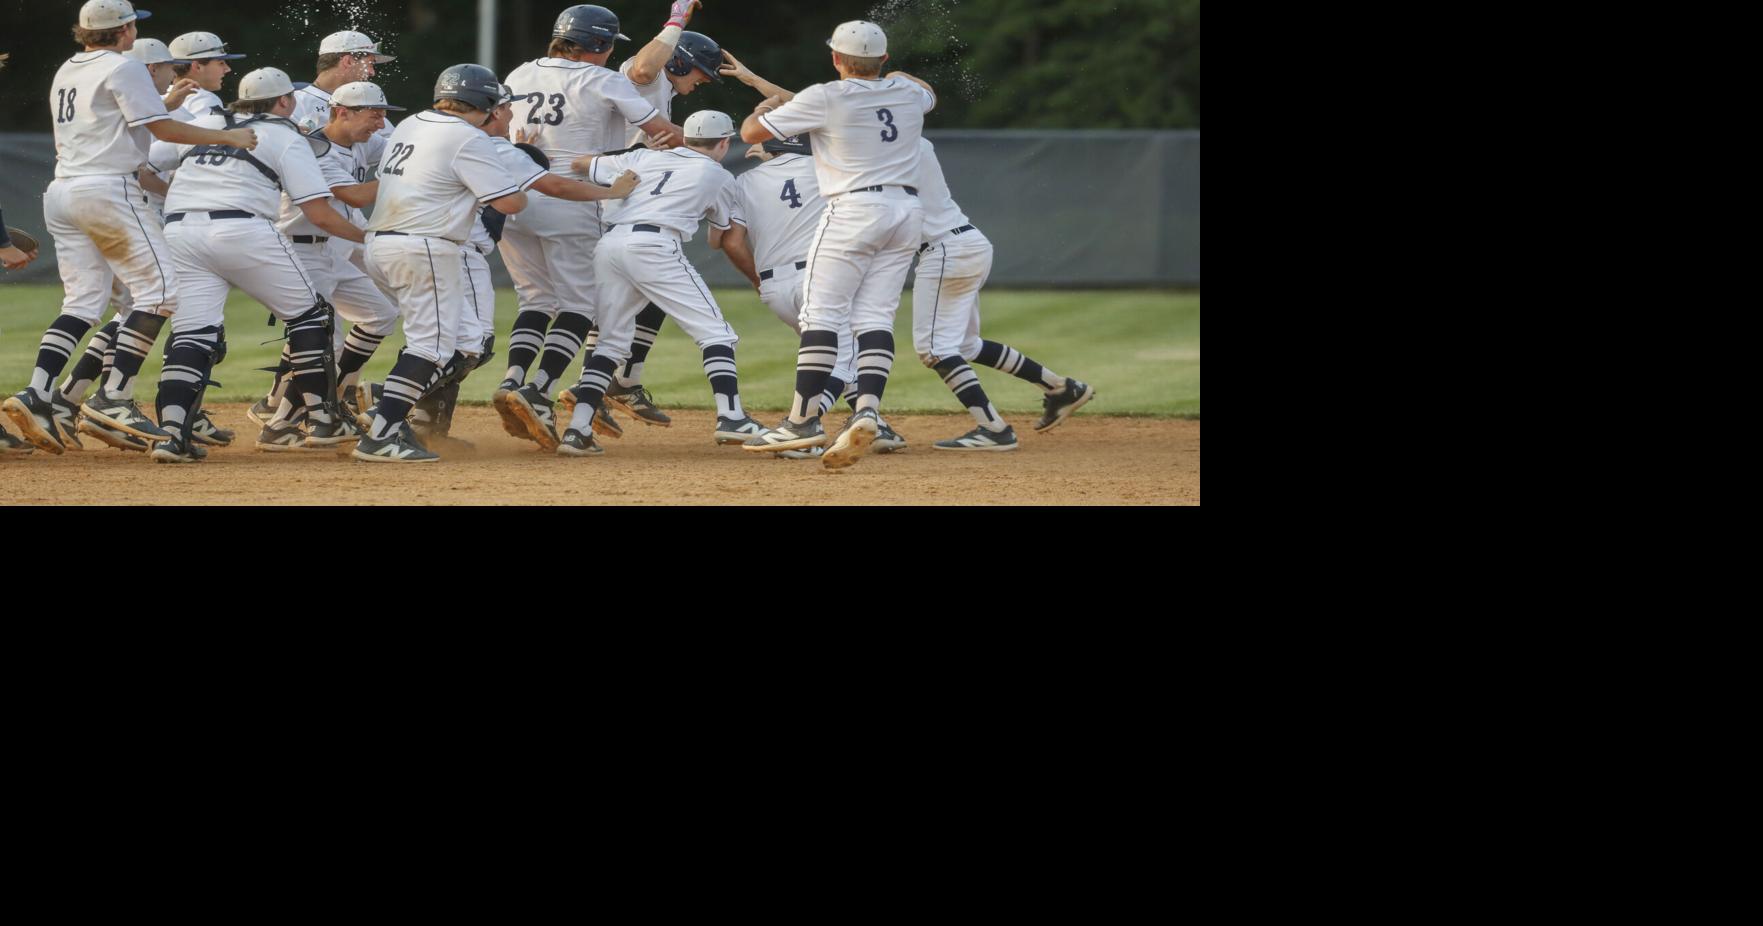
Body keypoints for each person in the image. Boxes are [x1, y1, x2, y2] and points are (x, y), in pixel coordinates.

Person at [2, 0, 260, 457]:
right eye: (132, 24)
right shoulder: (124, 66)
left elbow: (115, 122)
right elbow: (160, 130)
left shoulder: (69, 66)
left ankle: (38, 393)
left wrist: (166, 102)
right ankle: (114, 397)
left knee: (83, 302)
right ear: (124, 30)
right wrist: (228, 136)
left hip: (63, 191)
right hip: (108, 191)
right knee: (160, 293)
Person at [355, 63, 635, 463]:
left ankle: (391, 411)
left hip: (384, 242)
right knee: (433, 347)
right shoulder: (468, 138)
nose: (505, 112)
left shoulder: (412, 123)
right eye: (500, 105)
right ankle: (382, 428)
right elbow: (510, 202)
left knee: (467, 343)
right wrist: (515, 184)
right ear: (485, 104)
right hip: (425, 247)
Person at [737, 20, 936, 470]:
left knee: (821, 314)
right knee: (875, 317)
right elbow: (927, 90)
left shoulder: (825, 95)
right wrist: (894, 76)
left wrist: (764, 108)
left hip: (854, 208)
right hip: (906, 211)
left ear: (835, 59)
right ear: (883, 60)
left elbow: (751, 133)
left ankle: (802, 421)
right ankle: (867, 411)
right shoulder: (906, 94)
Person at [144, 66, 366, 462]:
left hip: (180, 230)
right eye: (291, 98)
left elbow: (149, 159)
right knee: (311, 318)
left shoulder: (208, 121)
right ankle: (323, 419)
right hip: (242, 229)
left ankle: (171, 434)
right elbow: (320, 213)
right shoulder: (285, 135)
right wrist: (372, 238)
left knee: (193, 334)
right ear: (284, 101)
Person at [492, 3, 684, 448]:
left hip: (518, 196)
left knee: (536, 299)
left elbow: (494, 125)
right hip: (574, 199)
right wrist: (696, 141)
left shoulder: (520, 73)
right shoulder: (604, 78)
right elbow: (663, 131)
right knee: (579, 306)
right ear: (597, 44)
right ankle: (537, 389)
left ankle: (513, 377)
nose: (608, 53)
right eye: (608, 46)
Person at [545, 110, 761, 456]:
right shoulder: (718, 175)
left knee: (610, 343)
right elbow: (719, 240)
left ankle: (578, 431)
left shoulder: (644, 156)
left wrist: (628, 161)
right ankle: (732, 417)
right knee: (716, 334)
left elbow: (581, 165)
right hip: (655, 245)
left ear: (686, 139)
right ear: (724, 143)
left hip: (610, 245)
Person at [716, 133, 904, 459]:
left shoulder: (743, 181)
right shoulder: (828, 167)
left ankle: (877, 426)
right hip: (823, 276)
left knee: (827, 356)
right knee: (842, 360)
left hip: (775, 286)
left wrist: (757, 281)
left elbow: (731, 243)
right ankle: (804, 427)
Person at [908, 137, 1095, 451]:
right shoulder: (917, 142)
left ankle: (993, 428)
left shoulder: (884, 147)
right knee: (965, 345)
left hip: (943, 251)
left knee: (934, 348)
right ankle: (1061, 388)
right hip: (967, 242)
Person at [165, 30, 246, 121]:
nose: (228, 69)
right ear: (197, 67)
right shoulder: (203, 98)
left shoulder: (158, 97)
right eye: (221, 63)